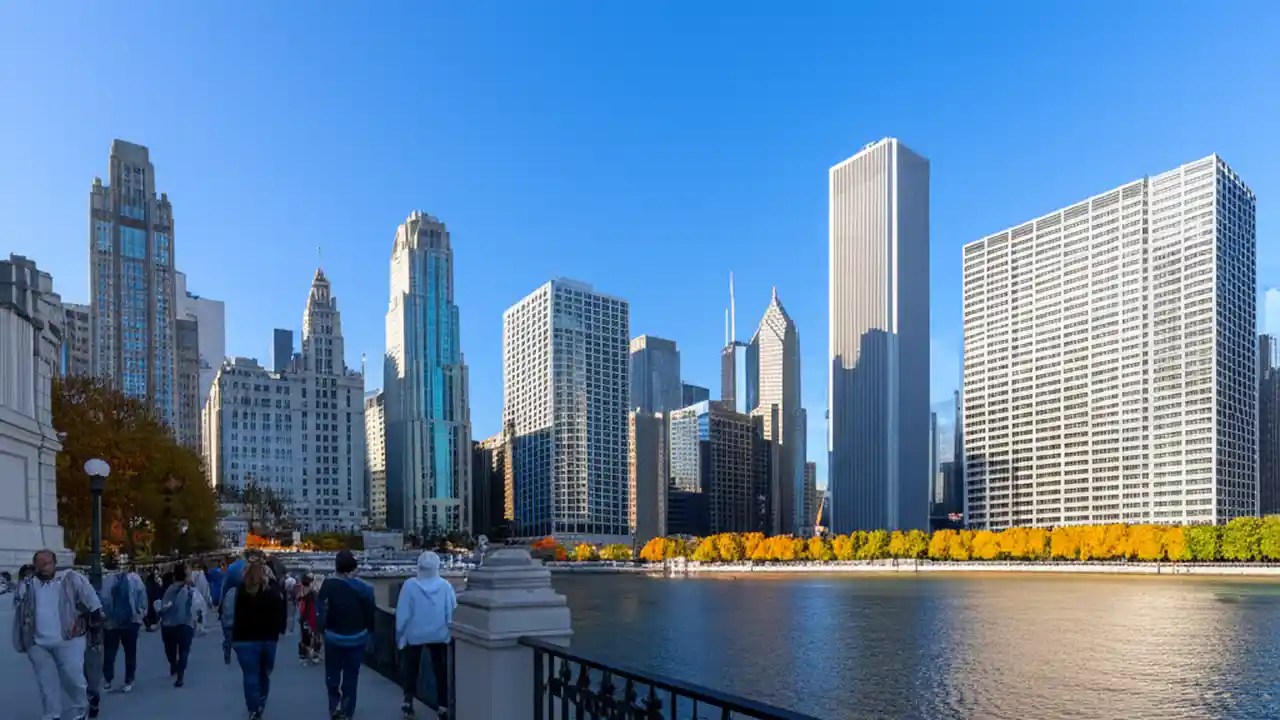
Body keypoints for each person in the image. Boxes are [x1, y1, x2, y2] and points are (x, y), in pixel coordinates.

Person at [11, 549, 104, 720]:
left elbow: (93, 603)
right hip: (38, 643)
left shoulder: (71, 579)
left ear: (54, 563)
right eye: (39, 564)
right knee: (46, 684)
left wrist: (96, 632)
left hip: (69, 638)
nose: (43, 567)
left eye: (46, 563)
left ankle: (81, 707)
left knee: (73, 677)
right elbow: (20, 609)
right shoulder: (29, 583)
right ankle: (51, 715)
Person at [395, 551, 457, 719]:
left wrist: (400, 635)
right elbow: (451, 610)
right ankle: (443, 705)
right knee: (440, 670)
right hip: (440, 634)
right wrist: (451, 631)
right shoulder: (445, 586)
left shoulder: (410, 585)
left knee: (411, 668)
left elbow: (403, 613)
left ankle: (408, 700)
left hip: (415, 633)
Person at [318, 550, 376, 720]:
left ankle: (334, 706)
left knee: (332, 673)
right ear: (353, 568)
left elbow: (322, 612)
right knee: (352, 676)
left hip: (334, 637)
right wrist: (369, 633)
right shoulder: (364, 588)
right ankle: (347, 709)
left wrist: (321, 633)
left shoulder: (328, 585)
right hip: (357, 638)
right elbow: (370, 613)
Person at [225, 563, 287, 720]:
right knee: (264, 673)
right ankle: (261, 700)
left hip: (243, 639)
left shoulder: (237, 592)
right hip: (267, 640)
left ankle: (253, 708)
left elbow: (228, 615)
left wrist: (228, 638)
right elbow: (280, 615)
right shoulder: (272, 593)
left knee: (250, 675)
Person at [100, 565, 147, 693]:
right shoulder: (109, 581)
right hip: (114, 622)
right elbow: (103, 599)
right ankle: (109, 678)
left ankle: (128, 678)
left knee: (128, 652)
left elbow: (142, 597)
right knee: (111, 652)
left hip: (129, 621)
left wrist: (140, 613)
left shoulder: (134, 580)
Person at [159, 564, 197, 687]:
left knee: (170, 649)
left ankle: (174, 664)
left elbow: (163, 606)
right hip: (185, 623)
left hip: (169, 625)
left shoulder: (170, 589)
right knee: (184, 650)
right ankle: (180, 674)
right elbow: (197, 605)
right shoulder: (190, 589)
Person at [297, 575, 321, 665]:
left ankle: (303, 654)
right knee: (315, 635)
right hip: (312, 617)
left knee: (304, 636)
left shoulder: (301, 592)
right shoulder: (313, 593)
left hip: (304, 617)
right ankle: (315, 654)